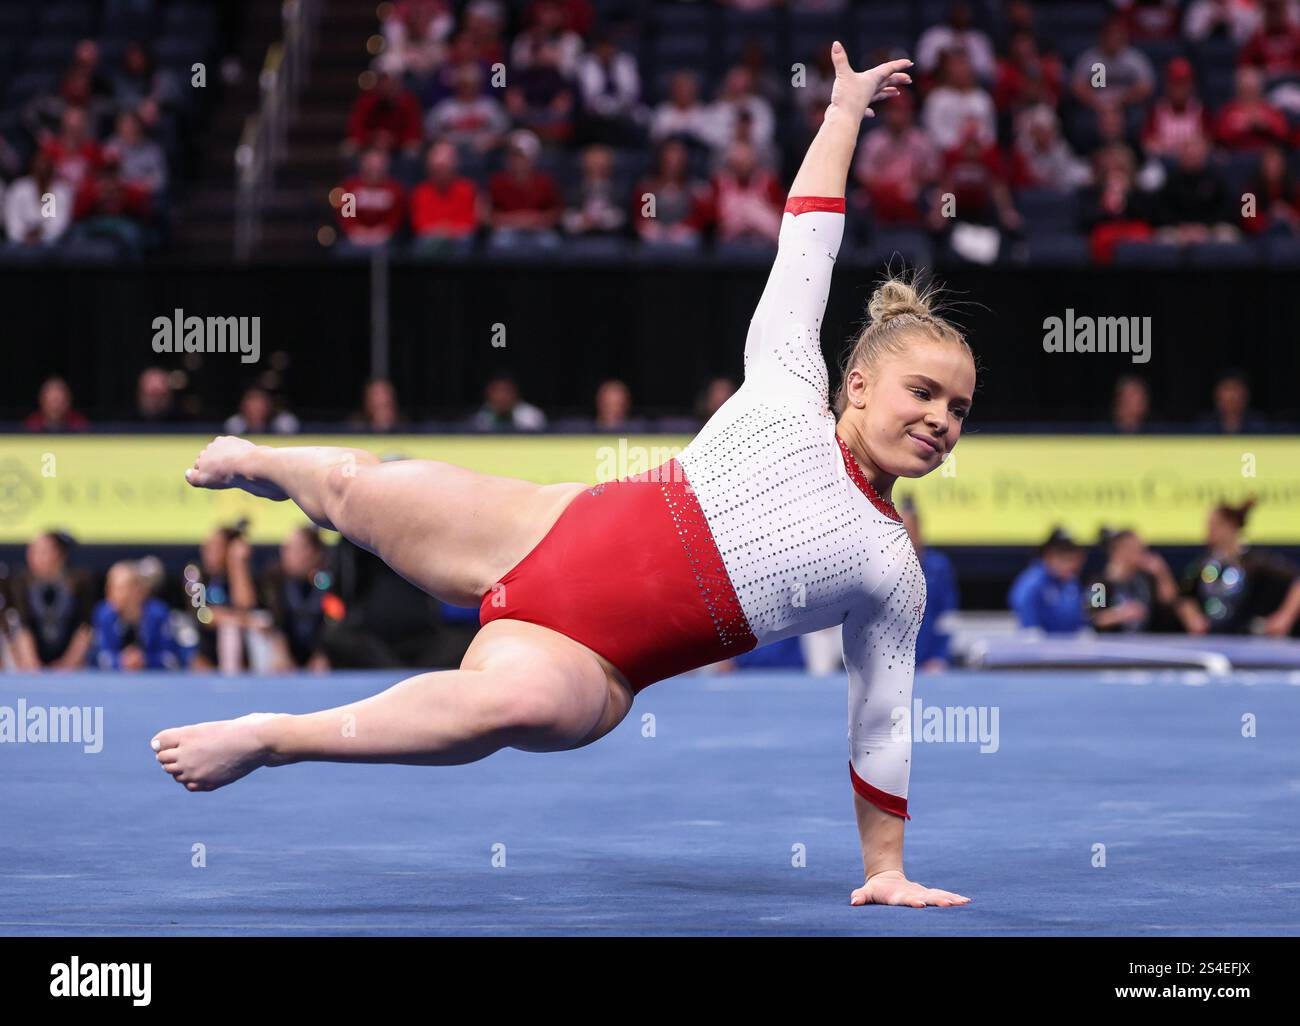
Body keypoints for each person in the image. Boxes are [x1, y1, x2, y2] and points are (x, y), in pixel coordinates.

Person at [155, 45, 972, 910]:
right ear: (857, 383)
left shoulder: (891, 566)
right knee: (357, 493)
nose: (939, 420)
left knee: (503, 707)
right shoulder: (789, 380)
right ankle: (267, 460)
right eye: (922, 392)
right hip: (538, 529)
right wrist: (844, 111)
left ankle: (271, 736)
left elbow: (879, 717)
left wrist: (885, 870)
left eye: (958, 409)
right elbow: (809, 230)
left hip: (594, 664)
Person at [1176, 500, 1300, 635]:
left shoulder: (1257, 561)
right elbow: (1184, 594)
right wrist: (1192, 617)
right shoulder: (1203, 563)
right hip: (1214, 640)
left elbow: (1297, 581)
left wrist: (1285, 617)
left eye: (1213, 525)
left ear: (1230, 526)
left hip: (1252, 642)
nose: (1208, 531)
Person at [0, 531, 95, 669]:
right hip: (31, 662)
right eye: (32, 551)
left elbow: (85, 628)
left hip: (73, 664)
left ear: (61, 555)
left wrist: (67, 665)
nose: (35, 557)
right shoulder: (19, 583)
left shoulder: (81, 582)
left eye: (43, 552)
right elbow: (21, 627)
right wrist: (32, 665)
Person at [90, 561, 191, 670]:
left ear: (137, 591)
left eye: (119, 588)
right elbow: (98, 657)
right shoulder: (104, 615)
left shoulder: (158, 614)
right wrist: (121, 661)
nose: (109, 592)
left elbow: (172, 657)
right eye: (109, 586)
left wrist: (145, 660)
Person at [259, 526, 331, 671]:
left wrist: (323, 654)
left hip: (325, 653)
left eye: (294, 549)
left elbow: (336, 624)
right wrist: (281, 653)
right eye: (284, 549)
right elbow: (275, 621)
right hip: (290, 651)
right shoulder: (275, 578)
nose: (286, 555)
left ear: (315, 553)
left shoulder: (329, 581)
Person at [899, 499, 958, 671]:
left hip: (929, 658)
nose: (907, 534)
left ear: (919, 530)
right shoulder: (886, 565)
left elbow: (947, 615)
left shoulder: (938, 566)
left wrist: (939, 656)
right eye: (902, 529)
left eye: (910, 529)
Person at [1087, 528, 1181, 633]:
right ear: (1120, 551)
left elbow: (1170, 600)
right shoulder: (1099, 584)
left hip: (1146, 642)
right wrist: (1121, 614)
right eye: (1134, 549)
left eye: (1141, 549)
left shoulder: (1146, 578)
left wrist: (1162, 573)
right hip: (1113, 644)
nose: (1141, 554)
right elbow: (1095, 618)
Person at [1008, 528, 1087, 633]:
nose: (1071, 564)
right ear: (1049, 556)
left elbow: (1081, 612)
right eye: (1064, 558)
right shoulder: (1034, 580)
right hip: (1042, 645)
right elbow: (1022, 604)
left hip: (1069, 645)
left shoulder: (1072, 582)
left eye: (1073, 559)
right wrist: (1033, 632)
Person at [23, 377, 89, 432]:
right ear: (42, 401)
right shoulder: (32, 425)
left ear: (68, 402)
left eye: (59, 402)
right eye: (52, 402)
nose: (55, 407)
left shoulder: (79, 425)